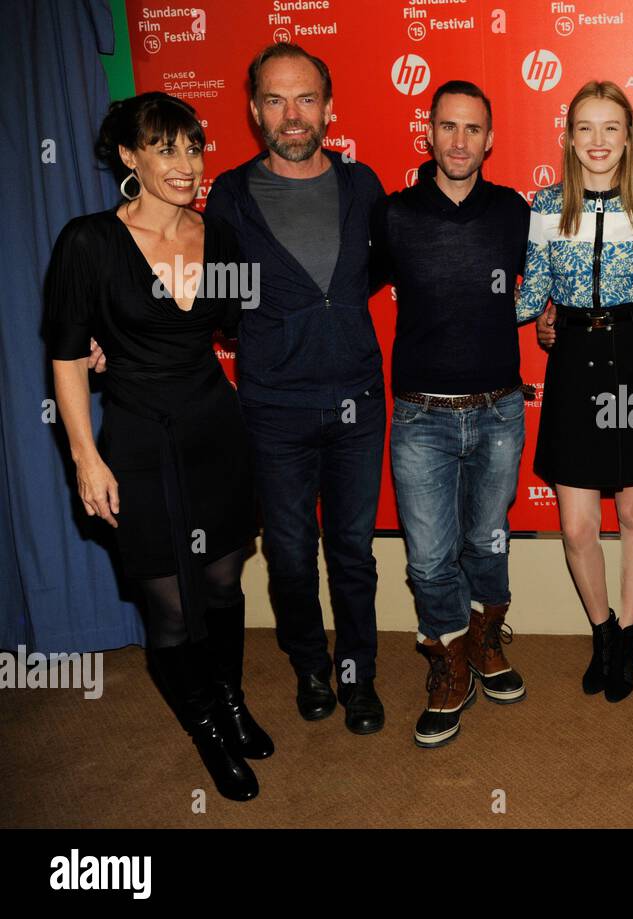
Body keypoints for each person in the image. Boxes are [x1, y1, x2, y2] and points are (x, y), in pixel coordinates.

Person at [45, 92, 265, 801]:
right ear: (129, 158)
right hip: (138, 439)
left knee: (225, 582)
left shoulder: (220, 236)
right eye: (164, 148)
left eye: (192, 146)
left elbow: (234, 322)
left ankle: (230, 700)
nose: (184, 163)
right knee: (169, 605)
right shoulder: (88, 241)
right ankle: (204, 726)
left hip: (214, 428)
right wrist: (85, 456)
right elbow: (69, 355)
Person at [203, 44, 389, 734]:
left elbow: (372, 275)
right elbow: (215, 297)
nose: (292, 114)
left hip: (358, 402)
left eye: (306, 98)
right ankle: (310, 664)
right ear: (255, 112)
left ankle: (356, 673)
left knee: (352, 550)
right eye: (276, 100)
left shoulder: (362, 185)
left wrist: (327, 314)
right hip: (273, 407)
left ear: (329, 108)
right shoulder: (227, 195)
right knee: (286, 551)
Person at [370, 80, 530, 749]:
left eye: (473, 129)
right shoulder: (395, 213)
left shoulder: (514, 211)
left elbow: (548, 283)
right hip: (420, 416)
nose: (460, 141)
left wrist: (547, 317)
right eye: (448, 127)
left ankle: (486, 637)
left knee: (487, 542)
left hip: (498, 410)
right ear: (428, 134)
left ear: (489, 139)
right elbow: (341, 288)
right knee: (432, 559)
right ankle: (449, 662)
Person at [518, 81, 633, 704]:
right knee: (579, 525)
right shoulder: (546, 204)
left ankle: (632, 632)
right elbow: (531, 297)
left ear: (629, 137)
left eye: (611, 128)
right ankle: (602, 631)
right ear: (569, 137)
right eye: (586, 127)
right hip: (575, 362)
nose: (598, 141)